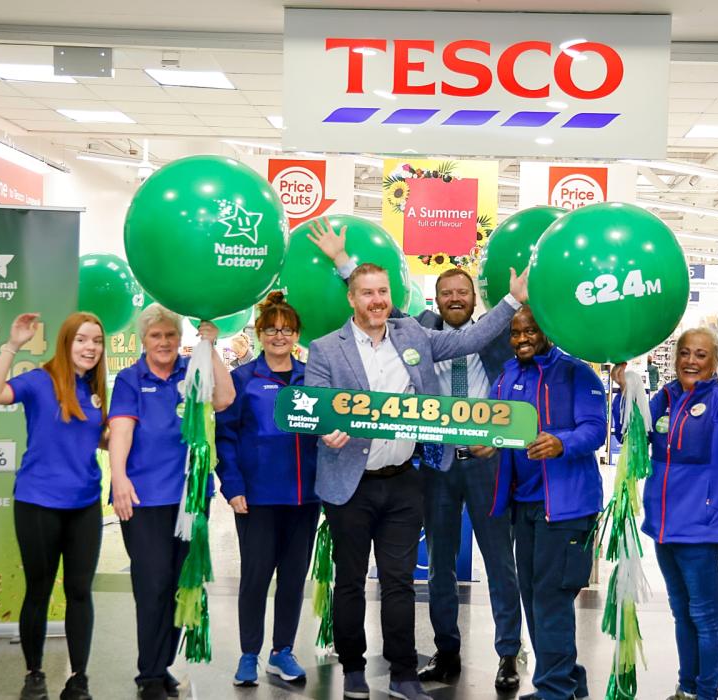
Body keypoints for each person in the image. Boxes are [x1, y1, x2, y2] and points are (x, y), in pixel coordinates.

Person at [307, 219, 523, 691]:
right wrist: (327, 431)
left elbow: (474, 340)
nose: (454, 298)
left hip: (455, 468)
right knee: (372, 580)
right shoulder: (361, 340)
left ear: (473, 295)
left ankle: (496, 656)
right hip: (399, 473)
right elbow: (317, 404)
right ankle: (380, 667)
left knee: (462, 569)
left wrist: (515, 298)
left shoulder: (419, 337)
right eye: (445, 292)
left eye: (462, 290)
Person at [610, 330, 718, 700]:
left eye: (700, 355)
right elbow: (631, 433)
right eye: (684, 353)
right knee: (681, 613)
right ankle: (686, 689)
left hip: (701, 527)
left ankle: (706, 693)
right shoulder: (665, 397)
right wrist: (626, 389)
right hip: (663, 527)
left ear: (714, 362)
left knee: (704, 615)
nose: (690, 361)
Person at [107, 303, 235, 700]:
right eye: (155, 336)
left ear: (180, 338)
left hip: (190, 498)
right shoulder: (131, 379)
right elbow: (121, 431)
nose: (163, 342)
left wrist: (209, 346)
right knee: (153, 583)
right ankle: (148, 675)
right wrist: (120, 478)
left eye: (170, 335)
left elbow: (225, 398)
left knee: (182, 582)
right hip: (143, 498)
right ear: (143, 340)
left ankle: (161, 667)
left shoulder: (191, 371)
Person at [0, 312, 108, 700]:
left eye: (97, 341)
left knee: (80, 590)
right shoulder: (39, 381)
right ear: (66, 343)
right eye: (82, 340)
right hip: (37, 502)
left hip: (85, 503)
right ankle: (34, 673)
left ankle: (79, 678)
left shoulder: (96, 389)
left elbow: (100, 440)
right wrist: (12, 345)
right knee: (38, 590)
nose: (90, 348)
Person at [480, 305, 606, 700]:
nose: (521, 339)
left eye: (530, 331)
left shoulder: (575, 372)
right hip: (523, 505)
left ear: (547, 330)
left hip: (566, 508)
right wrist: (486, 444)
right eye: (516, 333)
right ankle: (569, 680)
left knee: (551, 597)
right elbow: (496, 429)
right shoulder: (505, 377)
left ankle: (553, 689)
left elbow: (596, 429)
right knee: (535, 597)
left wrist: (561, 442)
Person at [215, 292, 318, 687]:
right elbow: (226, 437)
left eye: (287, 329)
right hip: (256, 499)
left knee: (294, 578)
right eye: (272, 329)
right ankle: (248, 655)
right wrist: (234, 486)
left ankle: (282, 652)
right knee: (256, 578)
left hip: (304, 498)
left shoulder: (312, 379)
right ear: (259, 333)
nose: (279, 336)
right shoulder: (243, 380)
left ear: (296, 335)